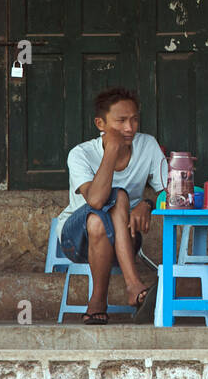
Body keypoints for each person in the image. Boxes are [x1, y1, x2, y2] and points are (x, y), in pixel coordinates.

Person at [55, 87, 166, 325]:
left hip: (125, 238)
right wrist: (112, 150)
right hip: (76, 241)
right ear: (100, 123)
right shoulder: (80, 154)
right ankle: (133, 286)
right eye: (121, 121)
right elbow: (95, 200)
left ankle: (97, 303)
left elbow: (171, 193)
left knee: (99, 221)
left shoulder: (147, 145)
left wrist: (147, 204)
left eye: (134, 119)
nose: (129, 128)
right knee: (115, 199)